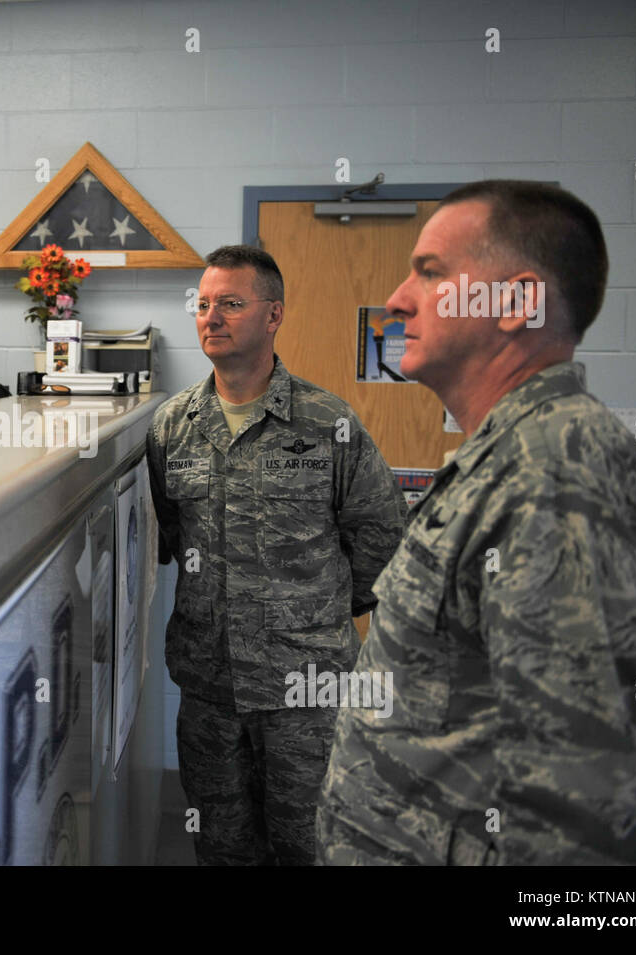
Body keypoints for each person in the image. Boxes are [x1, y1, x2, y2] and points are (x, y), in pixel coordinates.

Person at [317, 181, 636, 865]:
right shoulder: (507, 454)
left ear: (515, 302)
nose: (397, 299)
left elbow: (582, 813)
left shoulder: (557, 472)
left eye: (430, 272)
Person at [145, 245, 405, 865]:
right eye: (204, 304)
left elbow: (382, 536)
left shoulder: (326, 423)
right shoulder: (171, 427)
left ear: (274, 315)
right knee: (221, 847)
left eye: (231, 303)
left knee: (309, 847)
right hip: (210, 692)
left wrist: (312, 619)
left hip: (305, 691)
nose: (211, 317)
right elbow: (171, 538)